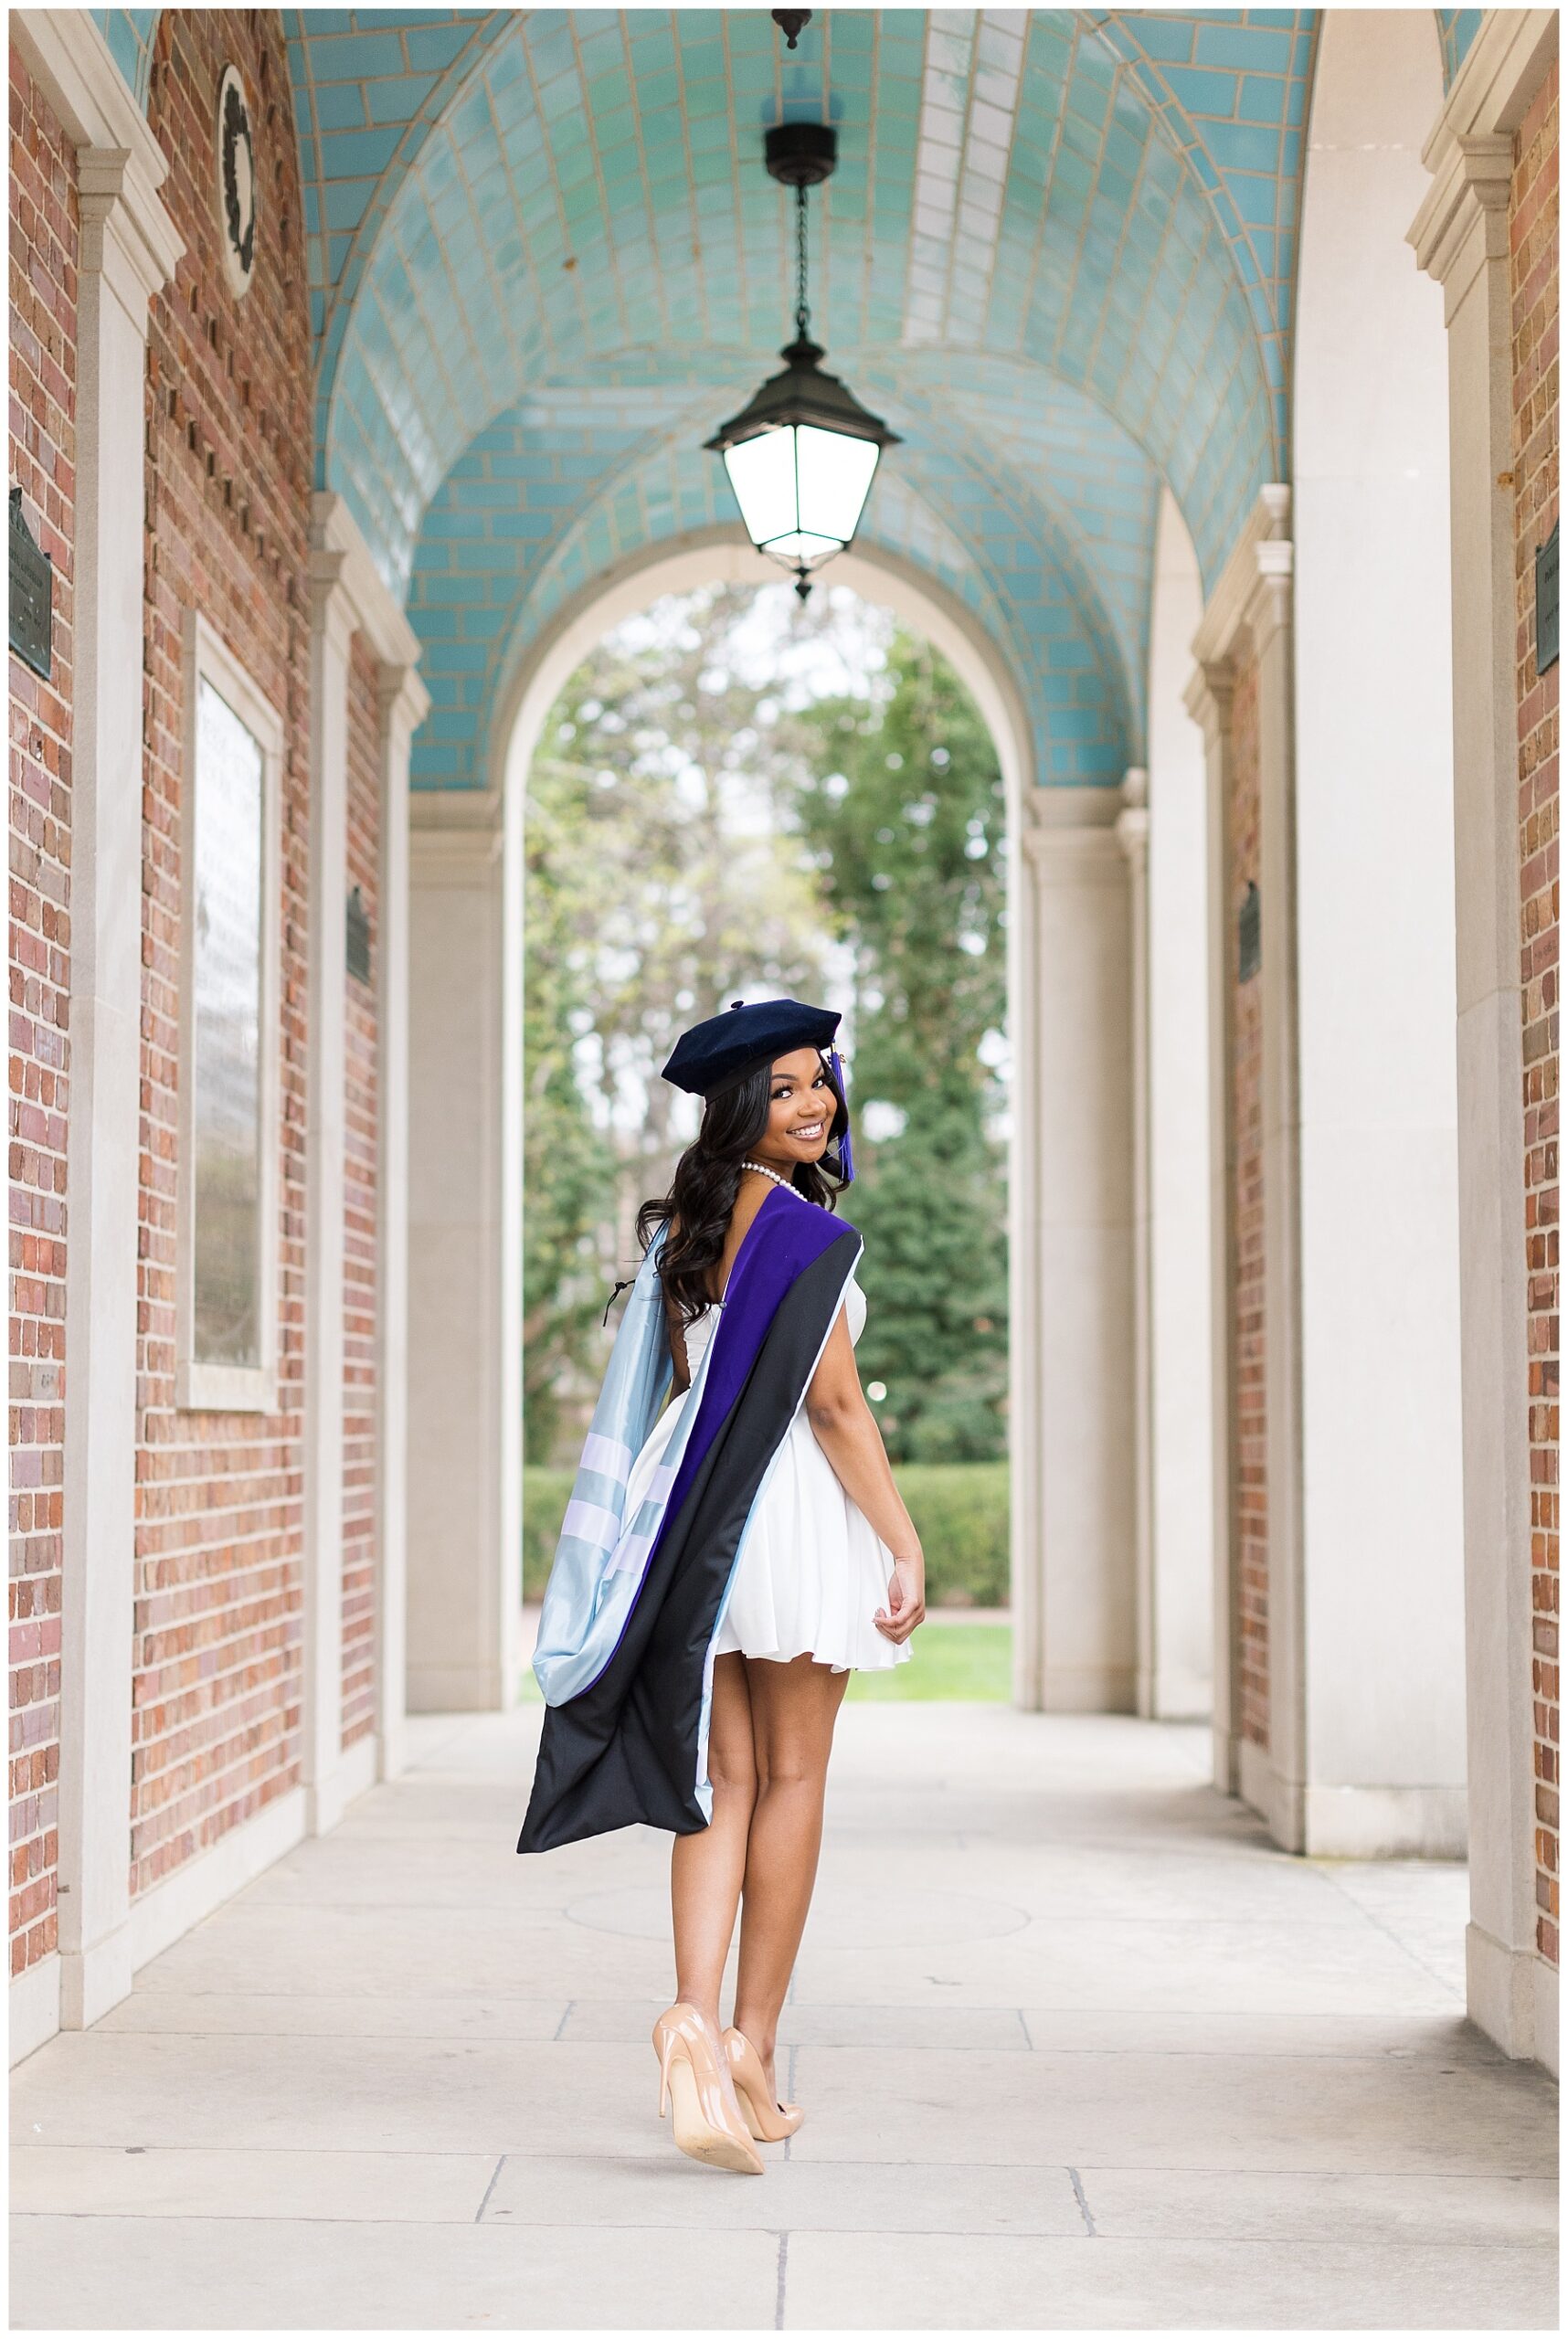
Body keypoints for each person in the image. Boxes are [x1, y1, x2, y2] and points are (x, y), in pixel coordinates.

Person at [518, 996, 926, 2176]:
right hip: (786, 1506)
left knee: (726, 1781)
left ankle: (692, 2021)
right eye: (783, 1088)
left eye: (818, 1081)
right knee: (792, 1778)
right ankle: (749, 2044)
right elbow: (833, 1407)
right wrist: (901, 1542)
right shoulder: (796, 1228)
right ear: (741, 1106)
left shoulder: (690, 1228)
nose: (813, 1103)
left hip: (694, 1513)